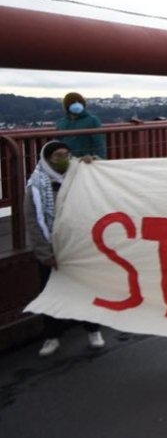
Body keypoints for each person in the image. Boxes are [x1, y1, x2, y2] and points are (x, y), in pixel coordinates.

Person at [24, 141, 105, 356]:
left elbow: (102, 174)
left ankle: (93, 330)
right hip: (53, 248)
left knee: (86, 289)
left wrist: (94, 162)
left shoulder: (78, 175)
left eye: (67, 155)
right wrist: (45, 254)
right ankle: (52, 336)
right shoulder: (36, 186)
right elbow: (33, 222)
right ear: (46, 159)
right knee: (53, 293)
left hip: (78, 246)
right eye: (58, 156)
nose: (64, 160)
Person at [56, 92, 107, 159]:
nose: (77, 104)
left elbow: (99, 142)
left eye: (79, 102)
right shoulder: (61, 122)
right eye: (73, 102)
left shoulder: (92, 120)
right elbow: (58, 142)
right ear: (67, 105)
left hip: (86, 160)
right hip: (67, 160)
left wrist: (97, 158)